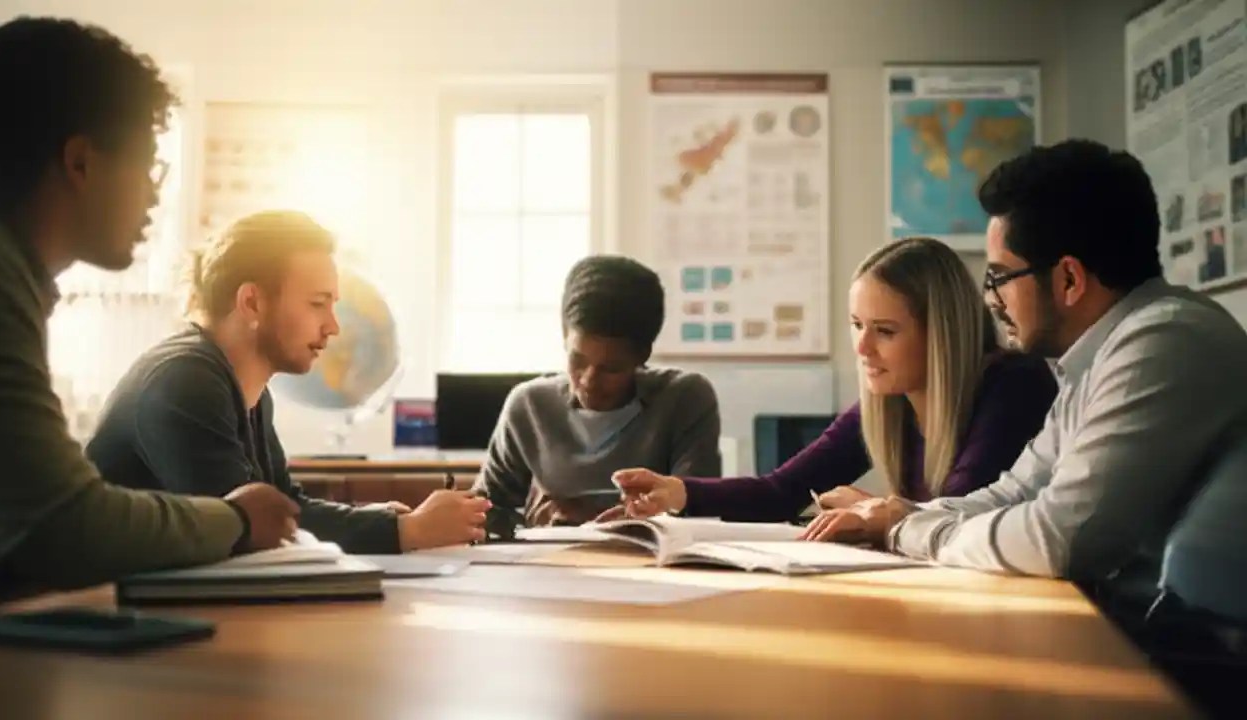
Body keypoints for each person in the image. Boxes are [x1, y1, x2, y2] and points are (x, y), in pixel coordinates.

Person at [807, 140, 1247, 583]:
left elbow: (1058, 539)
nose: (990, 300)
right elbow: (1017, 491)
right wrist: (900, 514)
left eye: (999, 277)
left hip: (1191, 643)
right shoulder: (1093, 358)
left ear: (1069, 279)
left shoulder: (1161, 342)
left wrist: (907, 530)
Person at [0, 18, 299, 604]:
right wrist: (237, 520)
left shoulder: (2, 272)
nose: (154, 194)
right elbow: (61, 527)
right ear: (80, 163)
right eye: (149, 166)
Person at [87, 211, 489, 553]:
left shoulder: (248, 389)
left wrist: (382, 520)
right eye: (318, 304)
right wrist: (406, 532)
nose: (332, 327)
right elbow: (248, 532)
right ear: (252, 303)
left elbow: (282, 508)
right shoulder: (184, 381)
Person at [614, 237, 1057, 528]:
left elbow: (958, 516)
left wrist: (872, 513)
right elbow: (780, 492)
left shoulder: (1012, 385)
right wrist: (677, 491)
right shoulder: (890, 401)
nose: (862, 348)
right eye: (856, 324)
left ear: (942, 336)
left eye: (885, 331)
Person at [473, 255, 721, 532]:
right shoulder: (529, 406)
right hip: (551, 565)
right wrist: (531, 521)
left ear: (642, 355)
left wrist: (628, 520)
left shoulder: (684, 399)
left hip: (649, 566)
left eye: (612, 368)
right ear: (564, 335)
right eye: (577, 360)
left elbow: (698, 507)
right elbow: (485, 512)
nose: (589, 380)